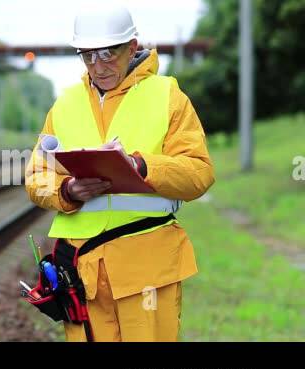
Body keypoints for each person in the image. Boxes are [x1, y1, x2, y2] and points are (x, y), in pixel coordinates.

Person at [25, 3, 215, 342]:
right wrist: (67, 191)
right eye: (87, 56)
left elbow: (198, 174)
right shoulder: (65, 104)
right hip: (81, 272)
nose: (98, 66)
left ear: (132, 46)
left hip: (147, 270)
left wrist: (142, 166)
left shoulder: (166, 96)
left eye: (108, 54)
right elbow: (36, 175)